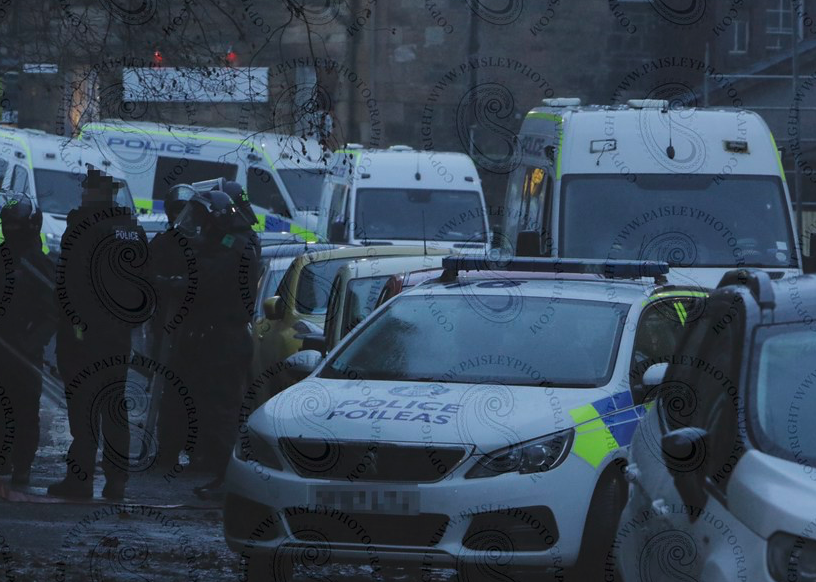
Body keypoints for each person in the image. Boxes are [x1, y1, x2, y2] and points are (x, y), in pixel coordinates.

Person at [48, 169, 149, 500]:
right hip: (118, 334)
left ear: (93, 193)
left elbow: (69, 282)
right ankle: (117, 482)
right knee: (113, 406)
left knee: (84, 407)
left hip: (85, 334)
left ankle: (80, 481)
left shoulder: (83, 227)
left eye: (86, 189)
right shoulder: (132, 230)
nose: (82, 194)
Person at [174, 189, 260, 499]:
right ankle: (225, 476)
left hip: (226, 338)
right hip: (219, 337)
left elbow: (207, 282)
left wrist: (177, 281)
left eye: (202, 221)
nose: (198, 227)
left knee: (221, 412)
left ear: (217, 222)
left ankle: (232, 482)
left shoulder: (232, 249)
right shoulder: (227, 245)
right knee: (214, 409)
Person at [0, 196, 55, 485]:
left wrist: (31, 342)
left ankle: (22, 465)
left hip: (23, 351)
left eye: (16, 225)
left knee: (24, 409)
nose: (11, 230)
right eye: (7, 224)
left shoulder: (38, 262)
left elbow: (52, 311)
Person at [147, 183, 198, 470]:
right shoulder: (162, 243)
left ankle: (192, 451)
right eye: (176, 210)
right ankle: (166, 453)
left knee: (190, 393)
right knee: (165, 392)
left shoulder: (203, 245)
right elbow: (146, 278)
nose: (180, 215)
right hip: (165, 329)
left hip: (193, 333)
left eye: (184, 210)